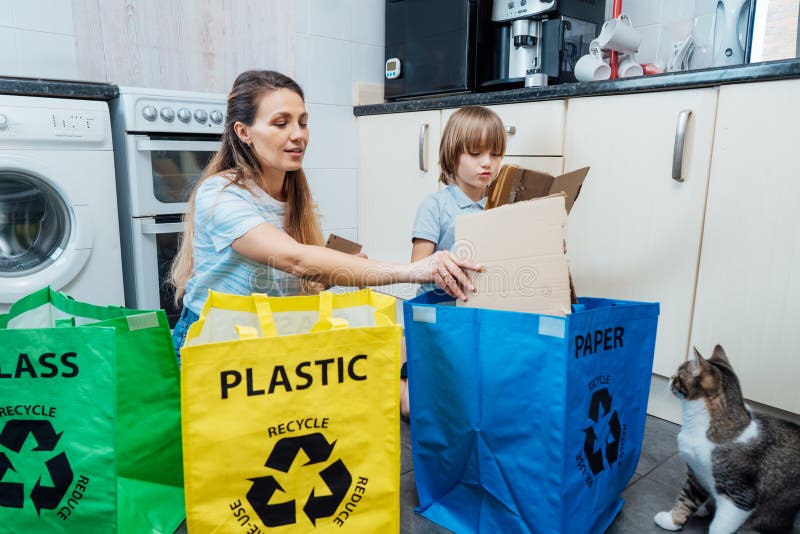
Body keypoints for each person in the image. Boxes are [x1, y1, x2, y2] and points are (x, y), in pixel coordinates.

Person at [169, 70, 480, 357]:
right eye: (281, 123)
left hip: (269, 338)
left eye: (302, 122)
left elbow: (292, 276)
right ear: (244, 132)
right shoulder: (221, 195)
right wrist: (416, 269)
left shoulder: (294, 196)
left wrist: (336, 272)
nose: (298, 135)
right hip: (214, 342)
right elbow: (296, 259)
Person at [400, 105, 507, 418]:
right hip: (438, 319)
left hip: (480, 319)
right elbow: (417, 268)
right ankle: (398, 378)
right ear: (452, 155)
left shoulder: (502, 203)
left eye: (496, 154)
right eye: (475, 153)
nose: (487, 163)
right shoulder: (436, 206)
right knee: (414, 409)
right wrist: (449, 267)